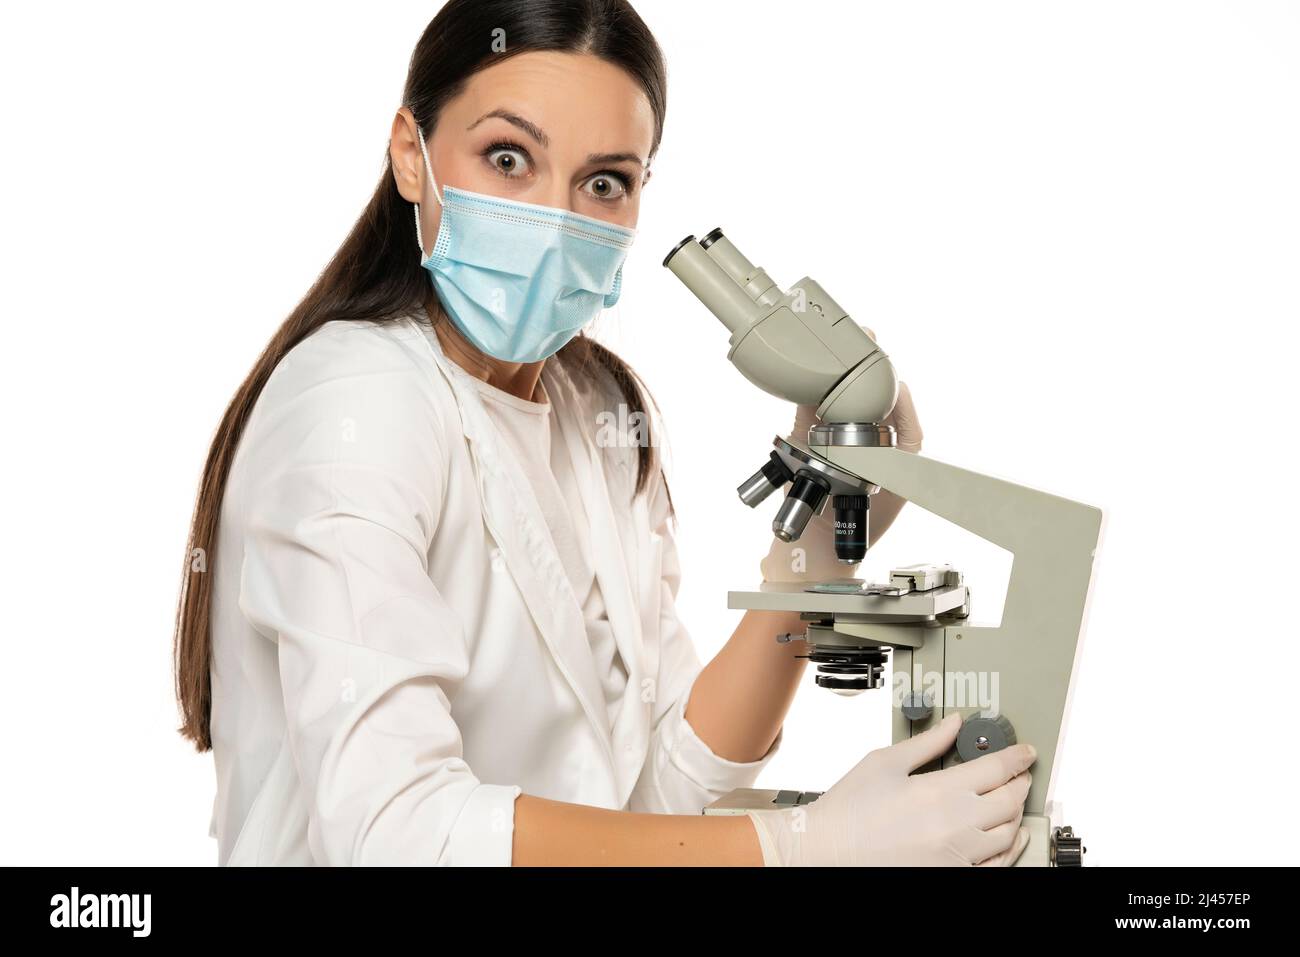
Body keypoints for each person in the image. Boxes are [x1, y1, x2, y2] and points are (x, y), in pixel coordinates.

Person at [172, 0, 1035, 866]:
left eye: (604, 182)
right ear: (411, 154)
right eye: (508, 158)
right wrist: (809, 843)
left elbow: (658, 798)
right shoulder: (354, 405)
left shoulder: (596, 405)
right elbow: (396, 833)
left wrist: (807, 571)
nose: (555, 222)